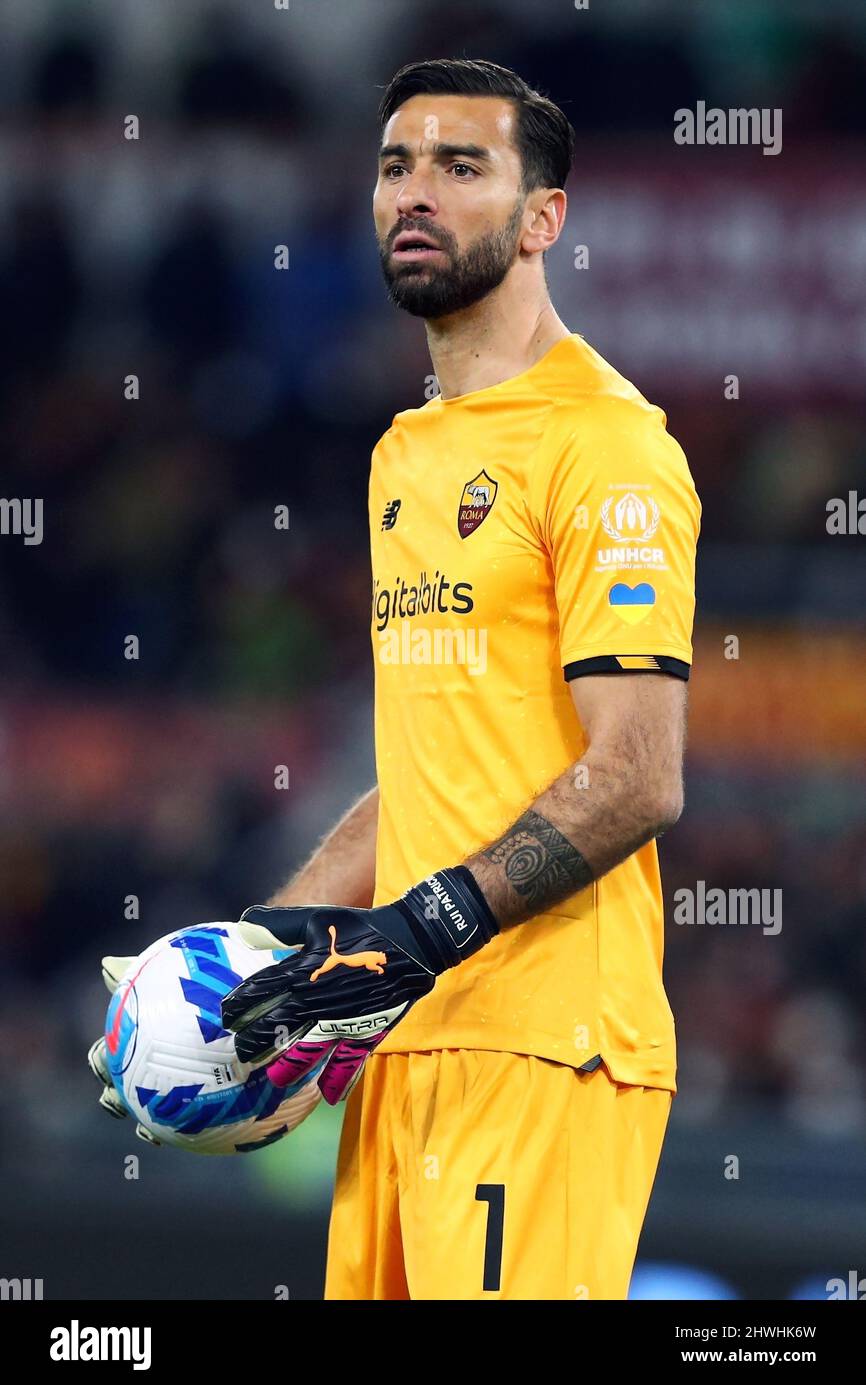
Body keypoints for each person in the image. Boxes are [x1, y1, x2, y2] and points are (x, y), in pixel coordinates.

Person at [94, 57, 701, 1301]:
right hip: (402, 1044)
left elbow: (636, 777)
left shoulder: (608, 449)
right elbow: (429, 774)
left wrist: (417, 935)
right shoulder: (406, 454)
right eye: (393, 165)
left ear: (544, 218)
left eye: (460, 166)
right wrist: (252, 964)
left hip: (542, 1045)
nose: (413, 192)